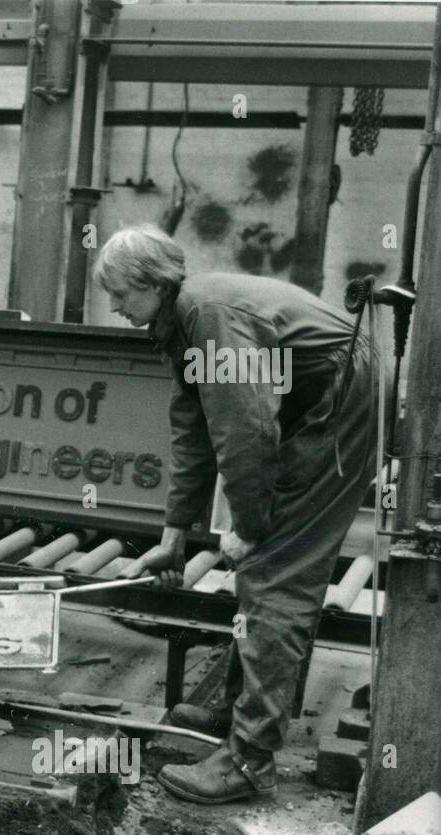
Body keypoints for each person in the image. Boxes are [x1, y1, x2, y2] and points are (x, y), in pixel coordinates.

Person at [97, 225, 375, 803]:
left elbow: (245, 433)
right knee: (265, 568)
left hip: (339, 404)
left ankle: (248, 759)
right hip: (320, 394)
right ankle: (235, 712)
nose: (115, 306)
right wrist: (174, 536)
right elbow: (195, 430)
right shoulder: (179, 320)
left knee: (275, 574)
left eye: (120, 293)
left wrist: (248, 527)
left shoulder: (211, 316)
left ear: (152, 283)